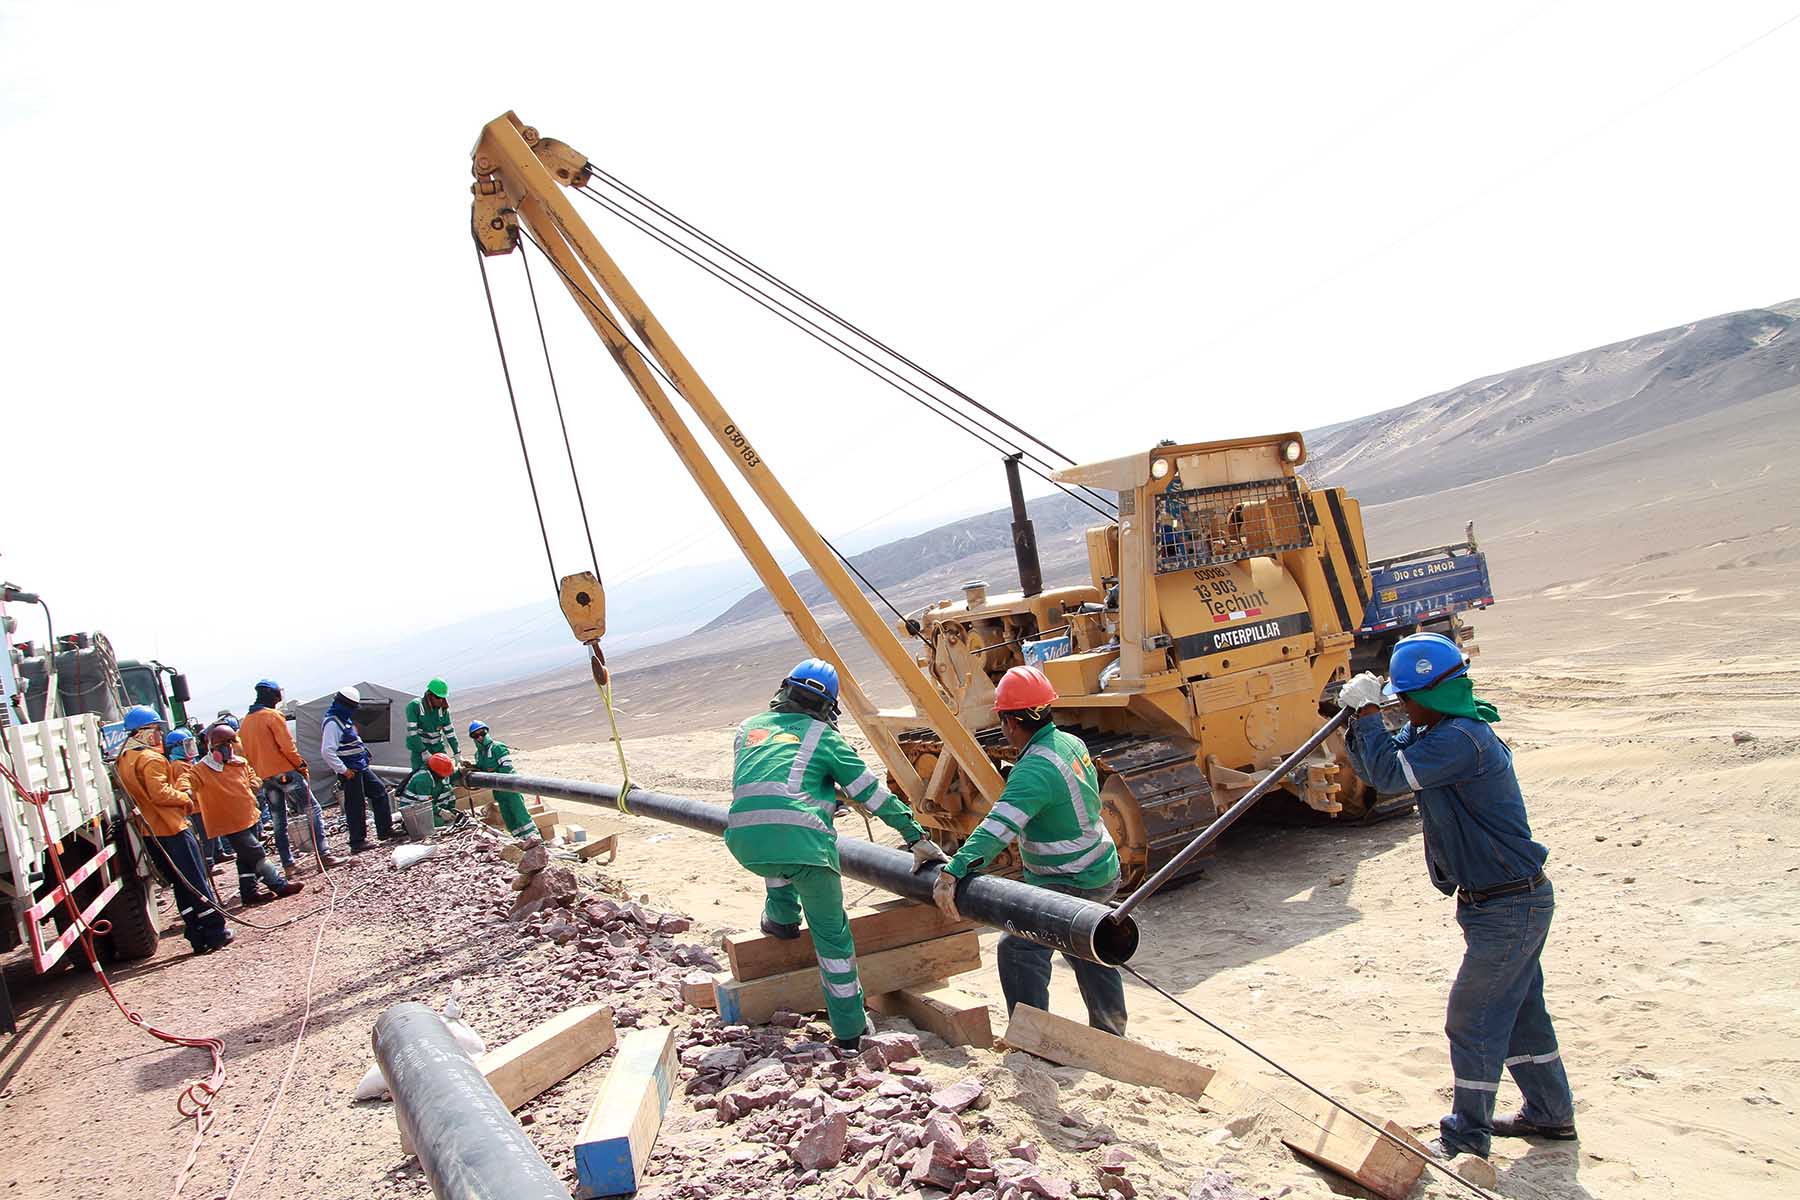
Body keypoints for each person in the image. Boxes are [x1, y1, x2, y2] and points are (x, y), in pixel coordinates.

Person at [1339, 632, 1577, 1161]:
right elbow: (1383, 762)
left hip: (1510, 905)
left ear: (1425, 695)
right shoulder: (1442, 732)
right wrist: (1363, 719)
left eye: (1404, 697)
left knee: (1472, 1018)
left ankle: (1466, 1136)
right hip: (1499, 902)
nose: (1402, 705)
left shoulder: (1460, 741)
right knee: (1519, 1013)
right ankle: (1550, 1113)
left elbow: (1386, 773)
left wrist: (1368, 715)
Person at [726, 658, 947, 1050]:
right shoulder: (824, 738)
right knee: (832, 941)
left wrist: (821, 793)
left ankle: (780, 918)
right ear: (827, 706)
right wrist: (915, 838)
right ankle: (850, 1031)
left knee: (779, 851)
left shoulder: (748, 729)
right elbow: (872, 794)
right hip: (804, 848)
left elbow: (772, 782)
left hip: (744, 841)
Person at [932, 665, 1128, 1035]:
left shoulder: (1035, 769)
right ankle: (1111, 1032)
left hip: (1070, 878)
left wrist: (953, 870)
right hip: (1099, 866)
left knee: (1018, 951)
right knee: (1089, 946)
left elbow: (997, 828)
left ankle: (1032, 1037)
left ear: (1010, 721)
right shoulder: (1070, 743)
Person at [113, 707, 231, 954]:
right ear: (143, 732)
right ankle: (216, 931)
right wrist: (185, 797)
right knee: (196, 881)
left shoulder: (124, 760)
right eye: (156, 730)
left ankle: (197, 934)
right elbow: (160, 793)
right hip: (172, 827)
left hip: (151, 832)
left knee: (180, 884)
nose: (158, 736)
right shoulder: (151, 759)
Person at [190, 723, 303, 905]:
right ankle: (279, 885)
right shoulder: (200, 770)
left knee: (245, 858)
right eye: (224, 745)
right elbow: (187, 784)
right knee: (256, 852)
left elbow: (253, 776)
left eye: (231, 744)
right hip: (228, 821)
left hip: (249, 816)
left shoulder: (239, 763)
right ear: (213, 748)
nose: (229, 748)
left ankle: (249, 894)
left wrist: (251, 786)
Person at [240, 678, 338, 871]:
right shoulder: (272, 716)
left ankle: (288, 865)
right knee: (313, 809)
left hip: (266, 777)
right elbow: (286, 746)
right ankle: (324, 855)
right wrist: (300, 765)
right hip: (285, 772)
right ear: (273, 695)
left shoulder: (246, 723)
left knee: (279, 821)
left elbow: (248, 753)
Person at [322, 684, 397, 851]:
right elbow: (327, 751)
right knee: (355, 805)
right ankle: (357, 841)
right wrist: (343, 770)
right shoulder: (332, 723)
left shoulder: (344, 720)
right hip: (350, 771)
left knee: (379, 792)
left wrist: (363, 751)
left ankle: (385, 830)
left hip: (360, 766)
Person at [466, 719, 535, 839]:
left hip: (510, 787)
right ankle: (519, 839)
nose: (480, 737)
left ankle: (534, 838)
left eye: (482, 734)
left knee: (520, 814)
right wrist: (472, 767)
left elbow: (507, 768)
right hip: (498, 791)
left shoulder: (498, 748)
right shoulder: (478, 755)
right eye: (476, 735)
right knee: (508, 817)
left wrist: (492, 773)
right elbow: (482, 769)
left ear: (487, 732)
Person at [405, 678, 459, 773]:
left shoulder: (443, 710)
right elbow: (412, 733)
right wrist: (423, 751)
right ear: (429, 695)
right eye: (438, 697)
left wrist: (457, 752)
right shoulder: (415, 706)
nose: (441, 700)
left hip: (438, 748)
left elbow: (450, 733)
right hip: (420, 751)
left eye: (443, 698)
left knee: (444, 775)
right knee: (421, 777)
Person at [400, 752, 460, 828]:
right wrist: (440, 812)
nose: (444, 777)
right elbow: (425, 804)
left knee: (447, 788)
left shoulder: (438, 775)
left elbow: (448, 792)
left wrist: (451, 810)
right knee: (438, 822)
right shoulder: (423, 779)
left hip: (428, 808)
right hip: (413, 810)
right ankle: (409, 824)